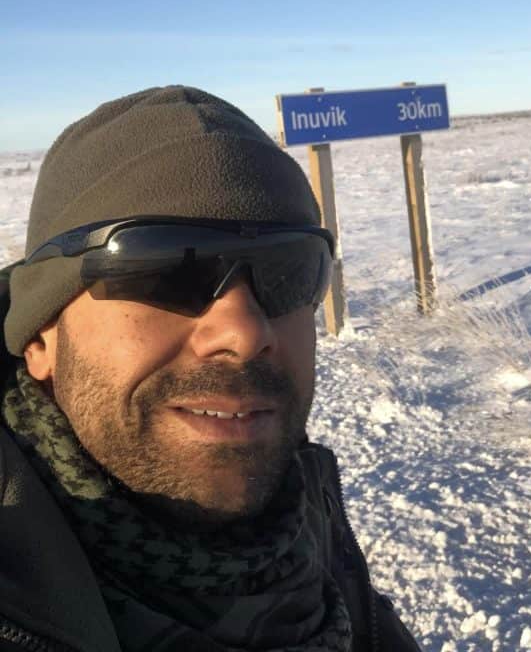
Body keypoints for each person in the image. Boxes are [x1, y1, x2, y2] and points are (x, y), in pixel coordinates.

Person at [0, 85, 421, 652]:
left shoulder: (305, 522)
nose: (244, 333)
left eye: (288, 273)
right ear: (41, 338)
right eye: (164, 269)